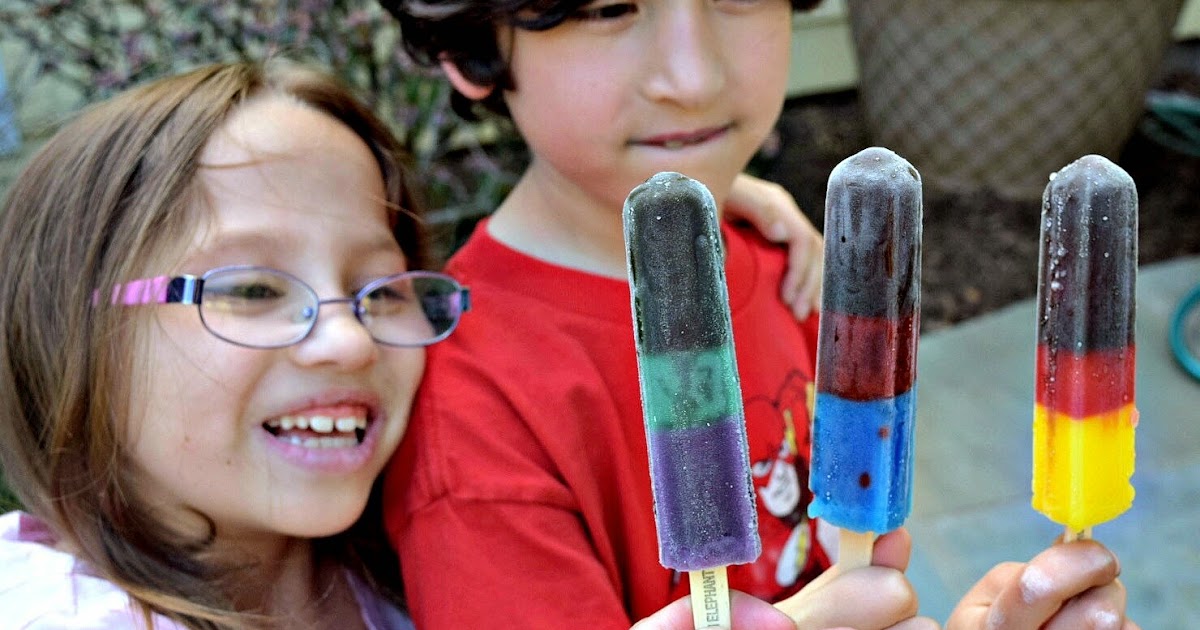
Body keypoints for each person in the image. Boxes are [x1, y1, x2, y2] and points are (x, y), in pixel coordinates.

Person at [373, 0, 1139, 627]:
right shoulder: (468, 433)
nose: (693, 75)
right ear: (472, 45)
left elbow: (851, 556)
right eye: (610, 8)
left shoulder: (792, 269)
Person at [0, 59, 460, 629]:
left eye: (381, 291)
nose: (349, 340)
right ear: (70, 333)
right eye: (252, 289)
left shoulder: (424, 579)